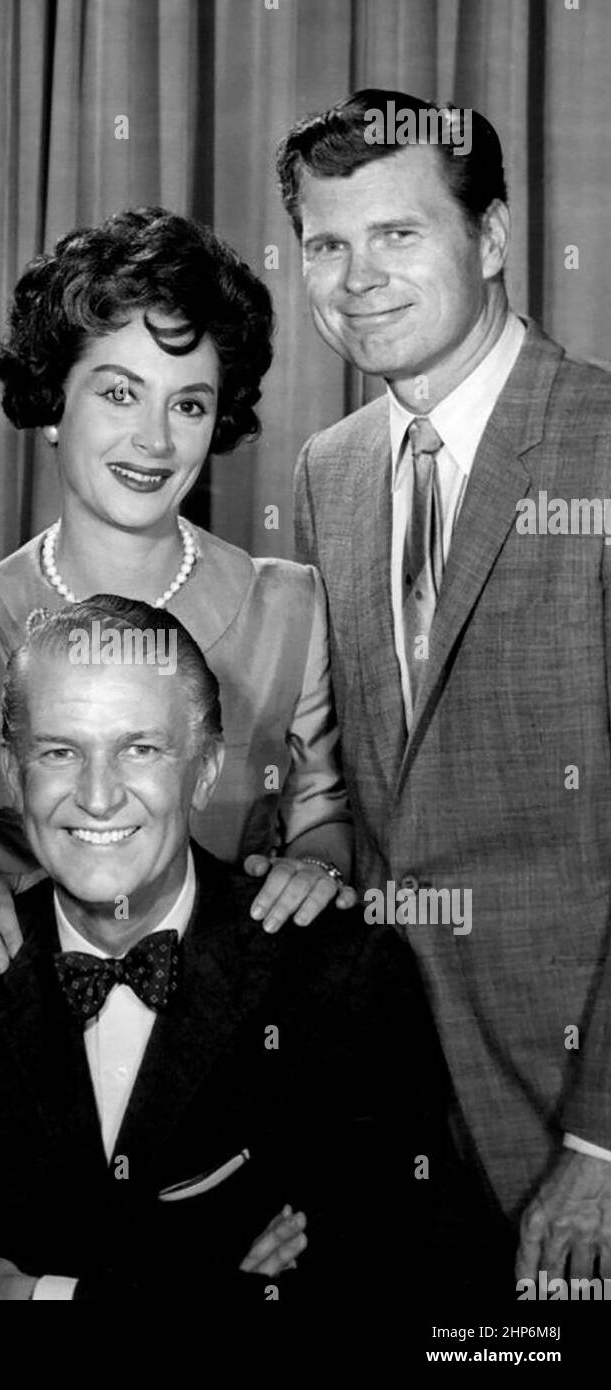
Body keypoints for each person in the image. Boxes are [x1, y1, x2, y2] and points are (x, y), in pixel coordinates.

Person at [0, 597, 501, 1303]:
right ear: (11, 768)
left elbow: (392, 1278)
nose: (97, 797)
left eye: (140, 749)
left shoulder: (339, 976)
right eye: (60, 751)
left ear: (208, 768)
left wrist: (39, 1294)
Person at [277, 88, 611, 1280]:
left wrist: (600, 1140)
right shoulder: (332, 470)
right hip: (395, 1114)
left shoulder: (600, 442)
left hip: (575, 1121)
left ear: (490, 237)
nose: (356, 277)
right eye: (326, 242)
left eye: (396, 234)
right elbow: (374, 801)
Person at [0, 207, 354, 978]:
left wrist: (314, 869)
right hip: (17, 1038)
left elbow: (322, 814)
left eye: (187, 404)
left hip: (234, 1028)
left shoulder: (291, 608)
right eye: (119, 394)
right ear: (53, 402)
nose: (155, 440)